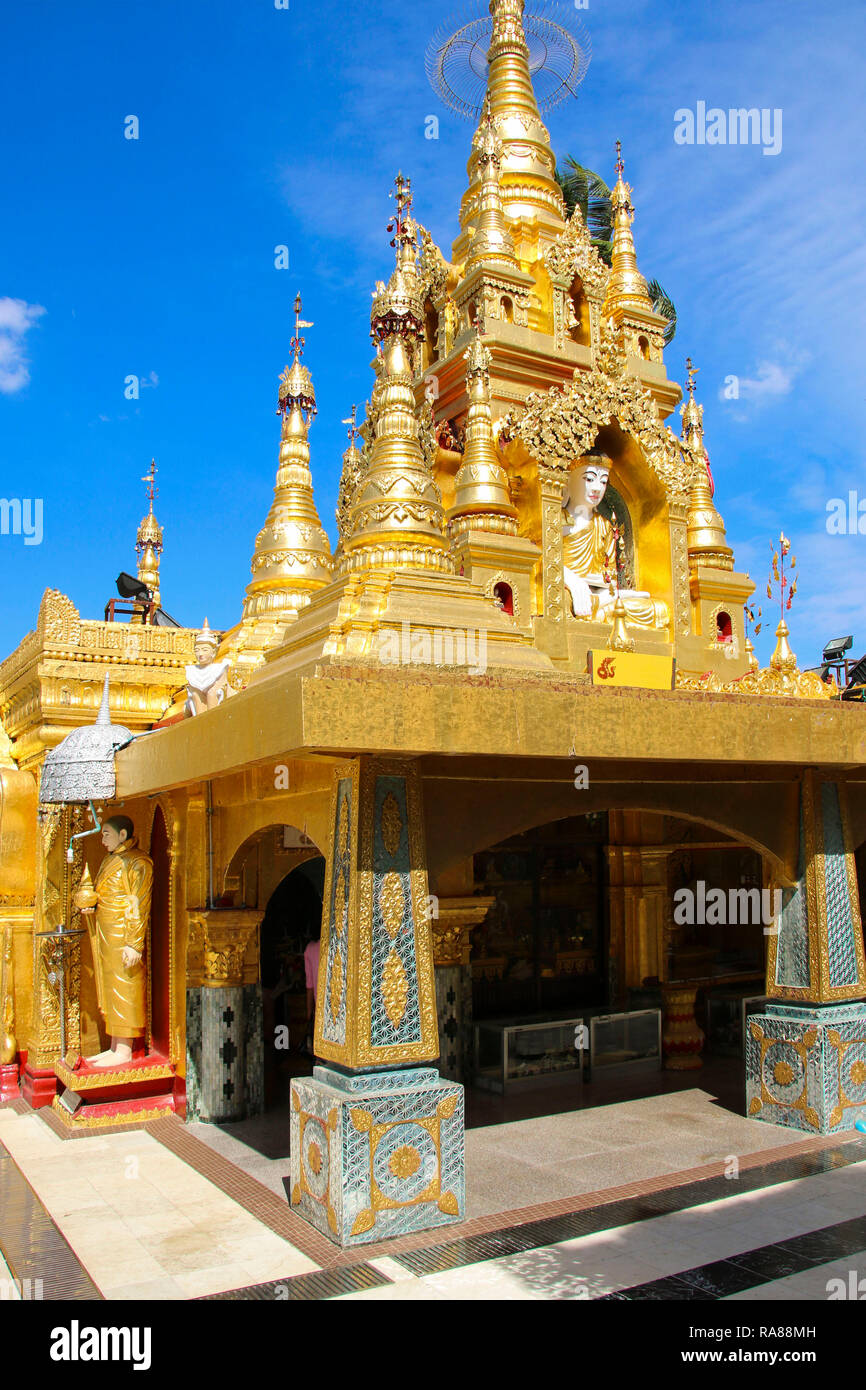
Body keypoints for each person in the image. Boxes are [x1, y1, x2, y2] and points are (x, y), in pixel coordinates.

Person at [74, 815, 152, 1067]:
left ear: (122, 835)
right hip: (107, 936)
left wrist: (134, 943)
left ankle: (125, 1050)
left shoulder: (138, 862)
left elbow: (138, 903)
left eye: (107, 833)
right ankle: (115, 1044)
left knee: (125, 987)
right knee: (110, 988)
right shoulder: (111, 861)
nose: (103, 838)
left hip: (125, 938)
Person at [303, 930, 321, 1054]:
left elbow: (310, 985)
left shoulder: (310, 949)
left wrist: (309, 1012)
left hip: (319, 1006)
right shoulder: (338, 945)